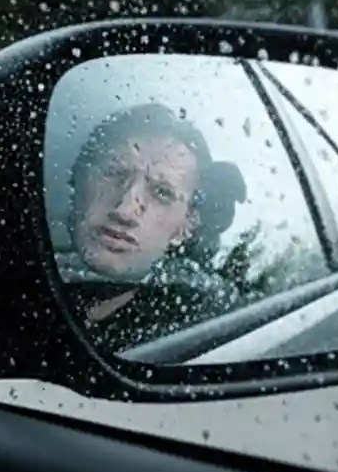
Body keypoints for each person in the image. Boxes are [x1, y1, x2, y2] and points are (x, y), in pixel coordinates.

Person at [58, 103, 247, 355]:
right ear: (78, 179)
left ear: (186, 226)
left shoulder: (196, 316)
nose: (125, 210)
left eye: (162, 193)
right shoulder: (16, 268)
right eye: (114, 172)